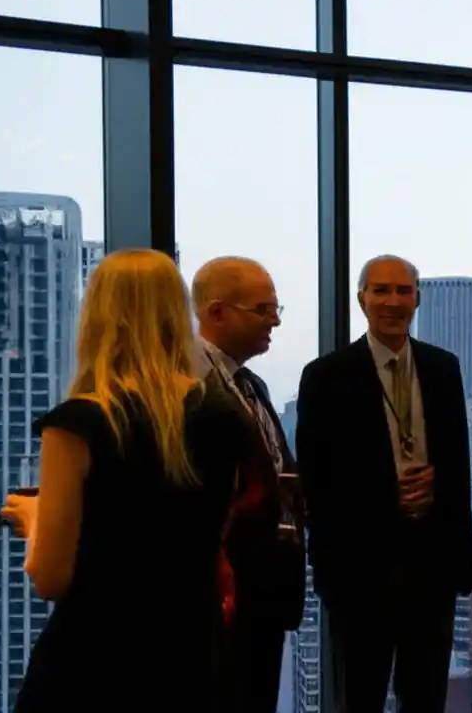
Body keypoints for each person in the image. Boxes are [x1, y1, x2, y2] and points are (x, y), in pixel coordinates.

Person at [0, 249, 248, 712]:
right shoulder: (225, 417)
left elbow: (51, 578)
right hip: (191, 659)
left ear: (98, 316)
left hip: (94, 663)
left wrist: (34, 517)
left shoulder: (80, 422)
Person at [297, 254, 472, 713]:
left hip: (432, 568)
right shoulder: (326, 377)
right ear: (362, 300)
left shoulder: (443, 368)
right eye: (380, 291)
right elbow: (315, 482)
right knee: (359, 698)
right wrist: (383, 494)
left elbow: (459, 467)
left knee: (425, 698)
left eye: (403, 291)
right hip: (360, 571)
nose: (392, 301)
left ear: (417, 298)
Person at [191, 256, 306, 712]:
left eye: (277, 309)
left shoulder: (250, 383)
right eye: (262, 310)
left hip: (264, 595)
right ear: (217, 312)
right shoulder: (189, 388)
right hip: (220, 597)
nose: (275, 321)